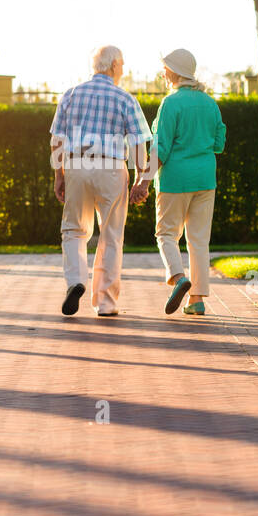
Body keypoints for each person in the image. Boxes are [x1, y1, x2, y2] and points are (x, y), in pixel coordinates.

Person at [49, 45, 152, 317]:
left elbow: (56, 140)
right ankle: (105, 303)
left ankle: (76, 282)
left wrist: (59, 174)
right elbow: (140, 142)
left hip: (77, 165)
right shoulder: (125, 98)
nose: (124, 70)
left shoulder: (71, 95)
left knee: (73, 230)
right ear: (114, 65)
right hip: (111, 167)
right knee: (111, 235)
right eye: (123, 65)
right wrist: (143, 179)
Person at [132, 49, 225, 316]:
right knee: (198, 240)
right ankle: (196, 300)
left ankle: (177, 276)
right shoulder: (210, 103)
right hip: (206, 179)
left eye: (165, 68)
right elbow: (219, 144)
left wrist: (144, 182)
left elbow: (160, 149)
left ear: (174, 72)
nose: (163, 72)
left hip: (175, 181)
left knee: (166, 234)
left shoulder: (171, 103)